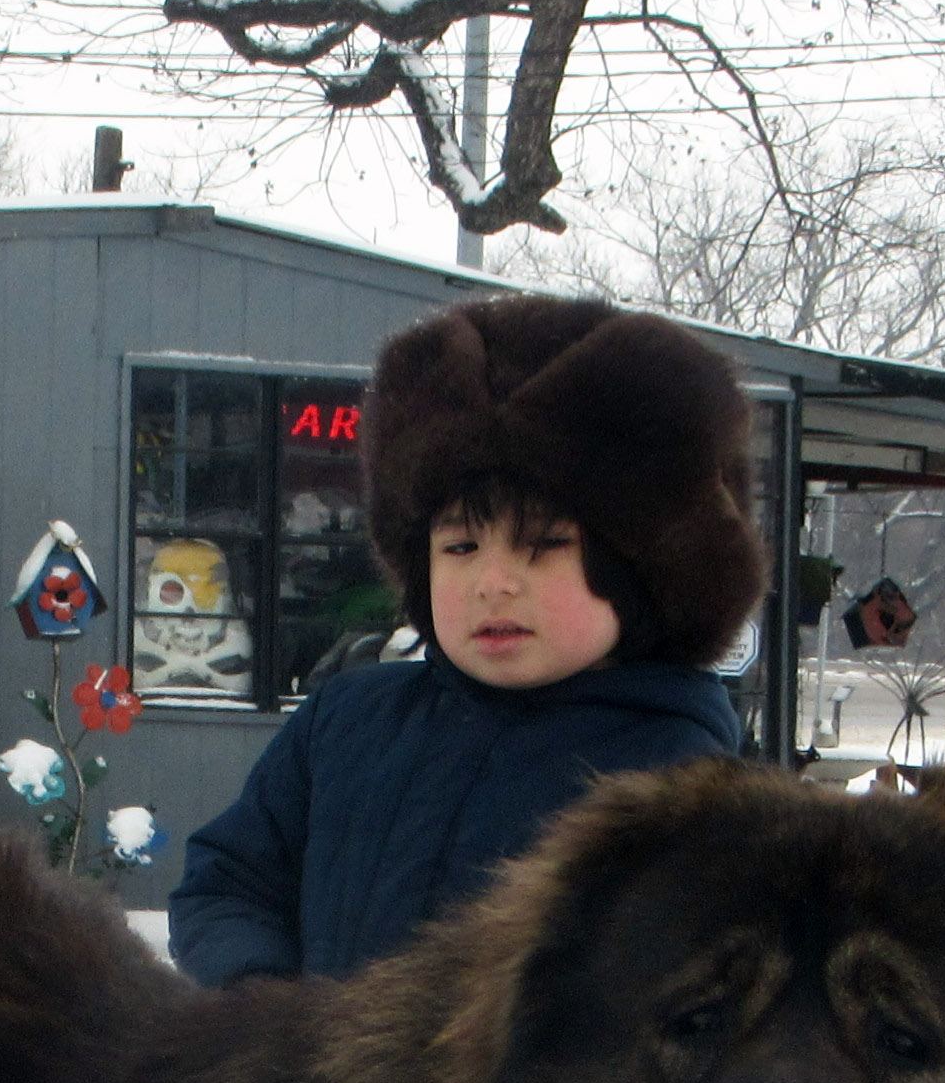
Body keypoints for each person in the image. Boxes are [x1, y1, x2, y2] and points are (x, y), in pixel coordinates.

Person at [166, 295, 766, 986]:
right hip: (315, 1057)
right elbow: (229, 881)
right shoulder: (347, 724)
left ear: (642, 572)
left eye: (543, 545)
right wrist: (259, 994)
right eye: (460, 546)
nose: (493, 583)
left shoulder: (684, 786)